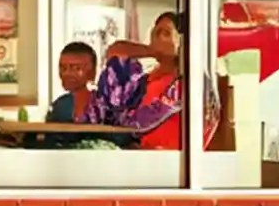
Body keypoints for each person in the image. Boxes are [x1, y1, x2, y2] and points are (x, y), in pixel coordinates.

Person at [80, 11, 219, 150]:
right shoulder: (146, 79)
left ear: (184, 41)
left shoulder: (190, 81)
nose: (157, 38)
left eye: (166, 33)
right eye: (155, 33)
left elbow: (141, 123)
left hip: (172, 159)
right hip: (140, 153)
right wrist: (152, 51)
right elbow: (114, 52)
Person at [47, 41, 97, 123]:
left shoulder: (103, 105)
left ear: (92, 72)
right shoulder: (60, 105)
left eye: (75, 68)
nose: (67, 74)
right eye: (63, 68)